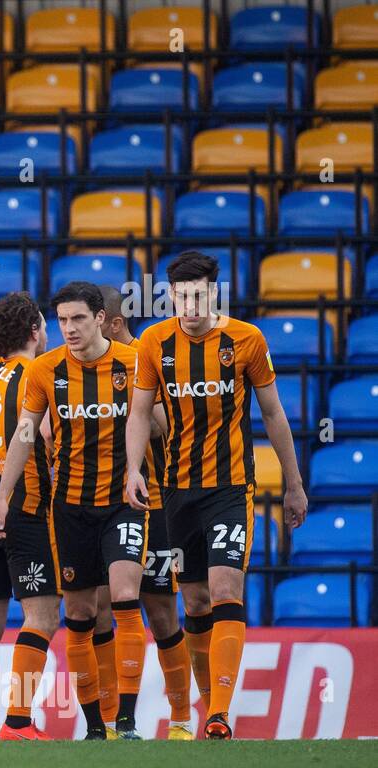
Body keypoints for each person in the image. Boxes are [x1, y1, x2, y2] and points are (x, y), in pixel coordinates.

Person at [126, 250, 308, 739]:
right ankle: (211, 705)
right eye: (180, 296)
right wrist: (132, 471)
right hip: (175, 490)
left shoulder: (245, 339)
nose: (188, 305)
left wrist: (293, 484)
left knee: (227, 588)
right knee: (196, 602)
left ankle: (220, 714)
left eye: (198, 295)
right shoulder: (153, 342)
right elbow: (140, 413)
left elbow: (273, 414)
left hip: (229, 486)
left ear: (214, 293)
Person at [0, 281, 147, 740]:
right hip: (71, 505)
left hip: (123, 502)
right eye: (62, 320)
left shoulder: (133, 364)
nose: (70, 328)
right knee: (78, 614)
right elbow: (24, 434)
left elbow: (156, 424)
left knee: (123, 595)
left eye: (78, 318)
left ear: (101, 318)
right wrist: (3, 496)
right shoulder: (45, 370)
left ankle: (129, 720)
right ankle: (96, 726)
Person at [95, 284, 194, 740]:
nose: (76, 332)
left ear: (113, 323)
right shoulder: (80, 368)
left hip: (149, 504)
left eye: (89, 321)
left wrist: (145, 404)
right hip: (93, 507)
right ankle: (112, 723)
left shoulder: (146, 360)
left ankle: (180, 719)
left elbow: (169, 426)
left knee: (159, 610)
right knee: (101, 609)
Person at [0, 292, 59, 741]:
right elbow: (38, 431)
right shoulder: (37, 372)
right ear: (33, 331)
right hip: (24, 505)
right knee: (41, 617)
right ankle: (18, 722)